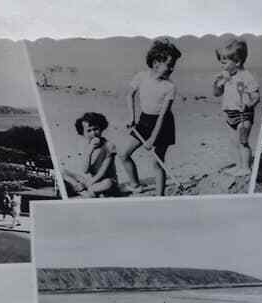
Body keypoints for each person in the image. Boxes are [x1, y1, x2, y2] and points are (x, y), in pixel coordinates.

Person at [121, 39, 181, 196]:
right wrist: (131, 117)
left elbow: (162, 116)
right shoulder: (141, 77)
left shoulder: (170, 87)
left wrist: (153, 139)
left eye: (174, 64)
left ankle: (160, 197)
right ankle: (135, 185)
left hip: (163, 124)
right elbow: (129, 95)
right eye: (169, 64)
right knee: (124, 154)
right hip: (144, 120)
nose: (172, 68)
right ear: (156, 63)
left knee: (157, 162)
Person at [213, 39, 259, 178]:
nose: (223, 66)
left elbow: (256, 95)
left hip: (243, 114)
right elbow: (217, 94)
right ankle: (239, 165)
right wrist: (217, 83)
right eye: (221, 63)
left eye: (225, 63)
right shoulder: (227, 76)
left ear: (237, 62)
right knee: (234, 142)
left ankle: (246, 168)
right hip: (230, 113)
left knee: (243, 141)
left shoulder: (247, 76)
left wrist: (249, 104)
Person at [62, 112, 121, 198]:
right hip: (92, 181)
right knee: (64, 172)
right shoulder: (86, 147)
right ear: (83, 133)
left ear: (101, 128)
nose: (93, 133)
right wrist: (89, 151)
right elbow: (85, 170)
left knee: (108, 183)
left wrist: (86, 184)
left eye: (96, 129)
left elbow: (102, 172)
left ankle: (83, 191)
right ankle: (86, 190)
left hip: (105, 180)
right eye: (89, 130)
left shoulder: (109, 146)